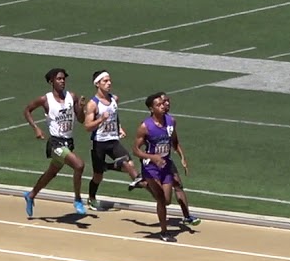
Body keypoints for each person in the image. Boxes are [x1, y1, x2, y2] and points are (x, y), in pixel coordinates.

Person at [133, 92, 198, 242]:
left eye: (163, 104)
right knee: (161, 200)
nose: (162, 106)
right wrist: (153, 157)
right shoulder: (145, 127)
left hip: (166, 165)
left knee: (167, 200)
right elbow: (135, 150)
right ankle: (164, 232)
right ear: (151, 109)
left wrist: (182, 157)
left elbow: (175, 141)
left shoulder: (171, 121)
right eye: (158, 105)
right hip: (151, 167)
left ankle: (143, 183)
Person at [21, 68, 86, 219]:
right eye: (59, 79)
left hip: (68, 142)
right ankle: (77, 199)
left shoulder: (72, 97)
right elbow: (27, 110)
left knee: (51, 174)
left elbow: (81, 120)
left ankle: (31, 195)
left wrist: (81, 107)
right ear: (51, 82)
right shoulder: (45, 99)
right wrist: (36, 128)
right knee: (79, 165)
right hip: (56, 144)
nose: (62, 81)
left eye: (63, 79)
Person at [82, 69, 143, 214]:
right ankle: (91, 198)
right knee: (98, 176)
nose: (109, 83)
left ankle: (112, 168)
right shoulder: (92, 104)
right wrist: (101, 119)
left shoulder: (114, 99)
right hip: (99, 142)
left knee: (129, 164)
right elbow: (87, 127)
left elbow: (115, 115)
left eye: (109, 80)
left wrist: (119, 127)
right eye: (105, 81)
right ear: (97, 84)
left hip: (113, 140)